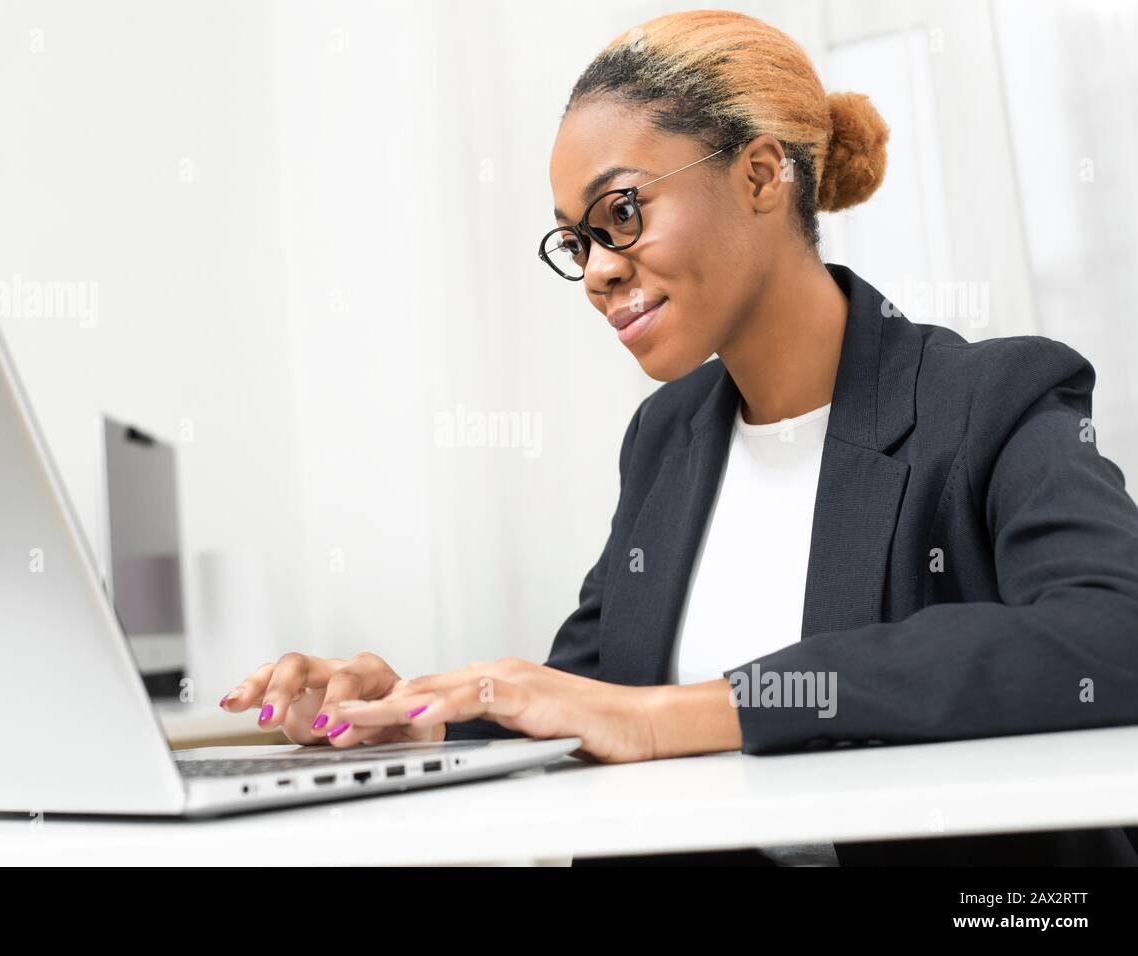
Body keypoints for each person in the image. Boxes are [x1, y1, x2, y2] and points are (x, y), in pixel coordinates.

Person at [219, 10, 1138, 866]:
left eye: (621, 213)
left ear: (761, 175)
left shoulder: (992, 399)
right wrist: (415, 720)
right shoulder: (667, 438)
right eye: (576, 243)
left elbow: (1112, 639)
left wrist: (678, 716)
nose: (597, 272)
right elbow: (591, 695)